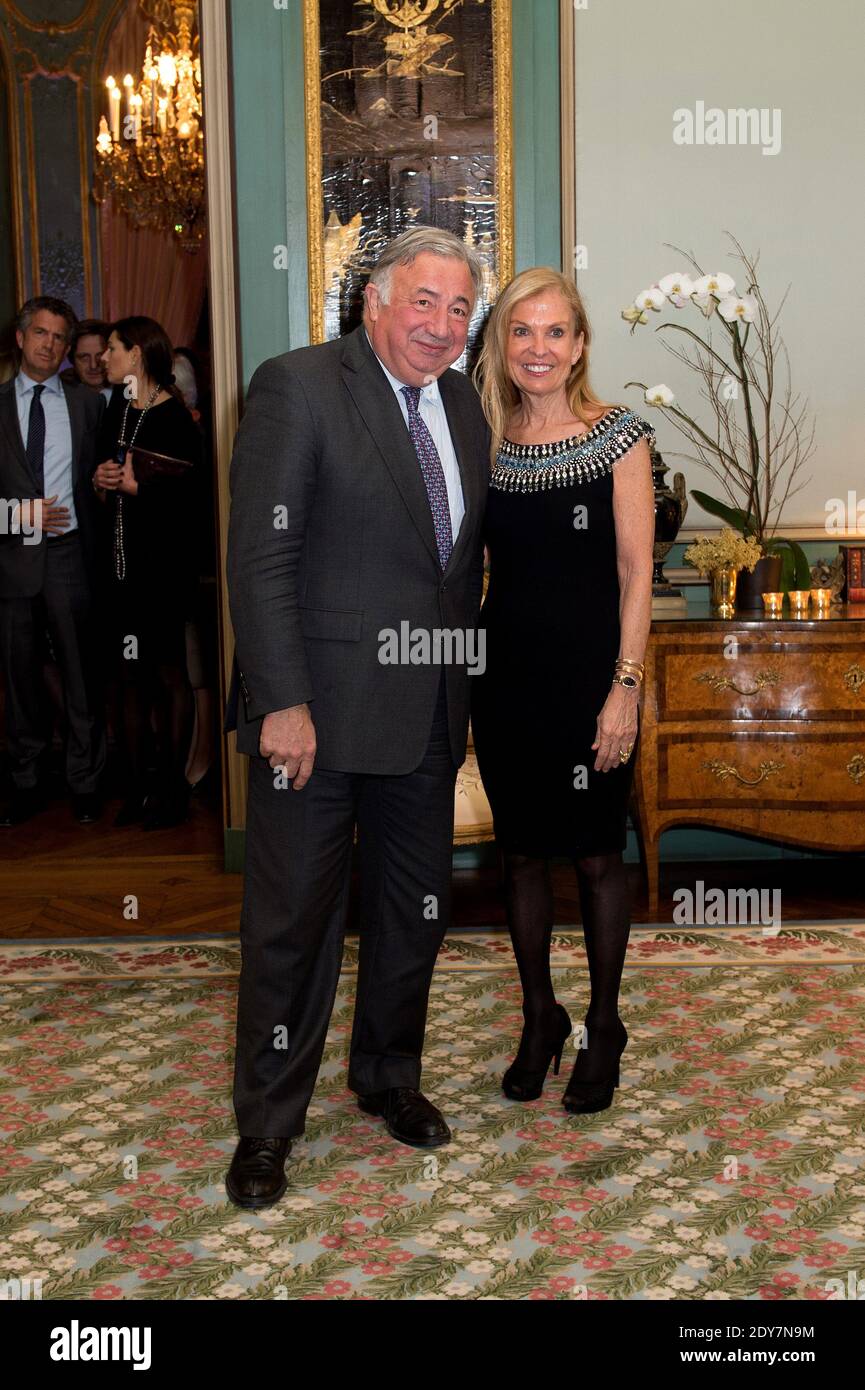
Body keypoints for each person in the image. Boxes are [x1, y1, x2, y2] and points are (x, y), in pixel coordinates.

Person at [224, 226, 489, 1208]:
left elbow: (450, 572)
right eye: (424, 302)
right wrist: (281, 703)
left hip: (424, 712)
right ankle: (266, 1124)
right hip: (318, 717)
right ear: (375, 300)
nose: (442, 326)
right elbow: (259, 560)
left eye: (460, 309)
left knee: (411, 913)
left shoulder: (462, 402)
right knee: (293, 925)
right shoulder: (298, 385)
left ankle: (388, 1075)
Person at [470, 268, 655, 1114]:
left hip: (591, 679)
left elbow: (633, 573)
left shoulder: (618, 435)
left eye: (554, 333)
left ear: (579, 345)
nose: (537, 349)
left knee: (594, 853)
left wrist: (625, 688)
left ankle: (605, 1027)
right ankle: (540, 1016)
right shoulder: (484, 437)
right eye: (521, 331)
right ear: (501, 344)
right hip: (505, 678)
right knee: (520, 857)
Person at [0, 296, 106, 826]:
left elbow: (102, 483)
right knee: (19, 679)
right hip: (11, 562)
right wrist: (22, 515)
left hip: (71, 559)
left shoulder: (87, 404)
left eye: (59, 337)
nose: (50, 344)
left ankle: (85, 782)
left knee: (81, 677)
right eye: (40, 333)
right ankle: (25, 781)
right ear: (20, 338)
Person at [93, 317, 202, 830]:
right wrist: (101, 478)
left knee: (168, 675)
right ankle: (136, 789)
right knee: (128, 679)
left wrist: (139, 490)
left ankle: (173, 790)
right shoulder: (116, 406)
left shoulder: (176, 417)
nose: (103, 358)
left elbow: (196, 502)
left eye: (112, 349)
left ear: (136, 354)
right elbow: (99, 474)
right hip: (118, 571)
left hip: (162, 576)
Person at [64, 319, 112, 402]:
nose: (93, 365)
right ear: (72, 360)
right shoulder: (62, 397)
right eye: (84, 358)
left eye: (100, 356)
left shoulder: (132, 393)